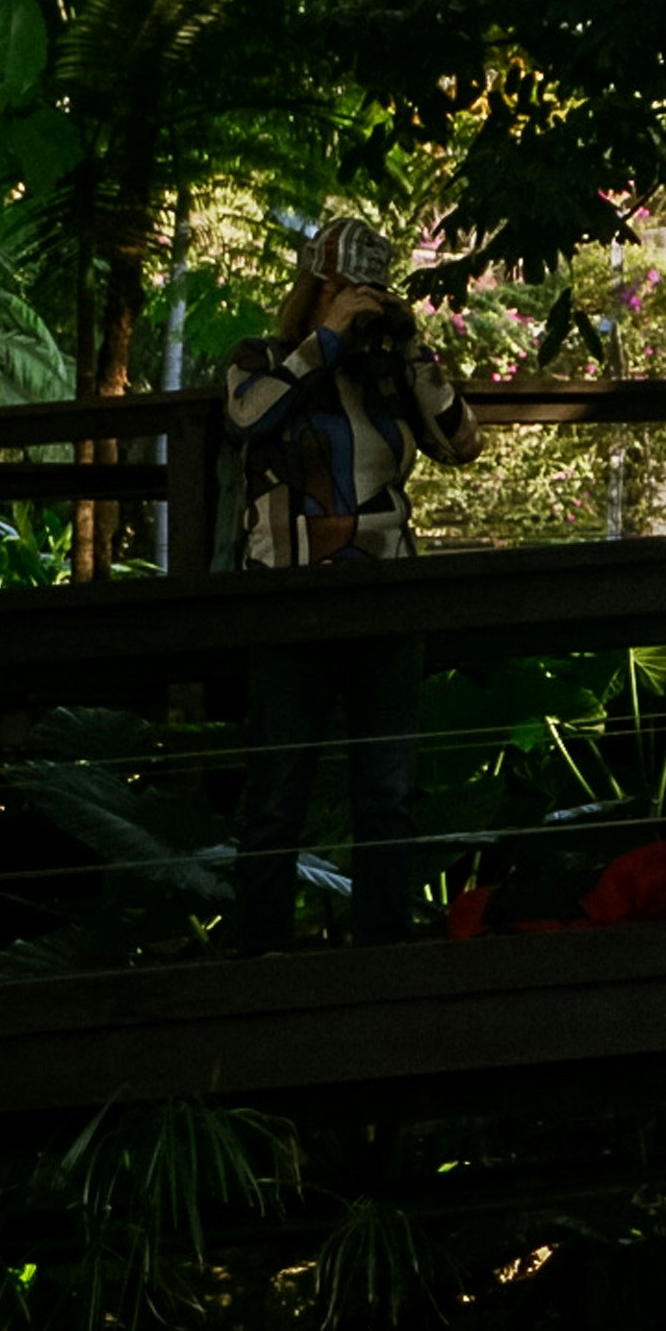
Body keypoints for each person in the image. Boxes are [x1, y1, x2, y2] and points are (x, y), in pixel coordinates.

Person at [224, 217, 482, 953]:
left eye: (367, 290)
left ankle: (384, 957)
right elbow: (249, 415)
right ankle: (260, 961)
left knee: (388, 796)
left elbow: (463, 442)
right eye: (341, 289)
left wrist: (408, 345)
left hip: (387, 596)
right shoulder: (262, 358)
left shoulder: (388, 376)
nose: (356, 301)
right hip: (287, 600)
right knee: (276, 797)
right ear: (314, 287)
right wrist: (325, 338)